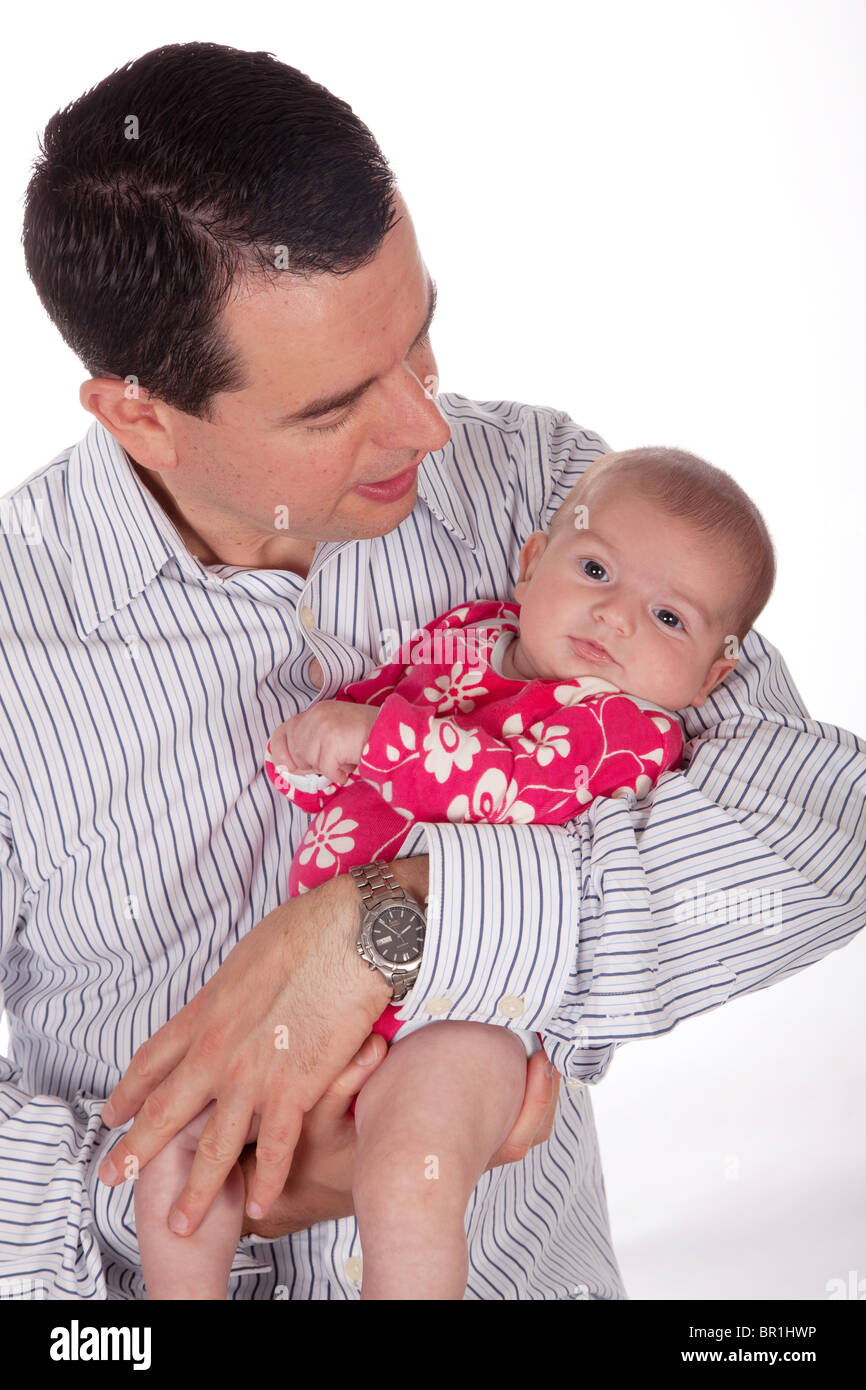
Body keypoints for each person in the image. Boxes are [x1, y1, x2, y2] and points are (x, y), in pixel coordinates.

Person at [1, 42, 864, 1301]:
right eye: (332, 405)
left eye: (422, 339)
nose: (426, 424)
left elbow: (814, 830)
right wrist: (171, 1195)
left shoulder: (552, 503)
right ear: (138, 416)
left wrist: (391, 923)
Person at [132, 444, 777, 1300]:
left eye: (669, 620)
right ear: (530, 564)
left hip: (468, 1014)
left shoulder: (627, 730)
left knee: (410, 1176)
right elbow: (367, 720)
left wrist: (375, 741)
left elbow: (515, 791)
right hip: (307, 1001)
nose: (617, 617)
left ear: (713, 676)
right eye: (595, 569)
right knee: (174, 1153)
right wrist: (316, 750)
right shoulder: (463, 642)